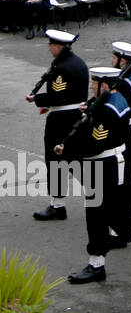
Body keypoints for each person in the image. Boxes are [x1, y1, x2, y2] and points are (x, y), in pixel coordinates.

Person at [59, 67, 131, 283]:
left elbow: (95, 144)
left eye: (94, 83)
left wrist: (69, 152)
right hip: (113, 161)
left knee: (95, 215)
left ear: (104, 86)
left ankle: (96, 265)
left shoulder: (105, 110)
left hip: (102, 164)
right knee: (110, 212)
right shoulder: (118, 99)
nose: (91, 86)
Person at [28, 29, 89, 221]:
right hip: (74, 115)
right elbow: (70, 94)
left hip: (61, 120)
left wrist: (37, 99)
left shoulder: (62, 67)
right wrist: (49, 104)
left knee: (56, 161)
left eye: (50, 45)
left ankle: (58, 205)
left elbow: (58, 95)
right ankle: (95, 191)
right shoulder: (77, 62)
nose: (49, 48)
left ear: (57, 46)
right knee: (73, 159)